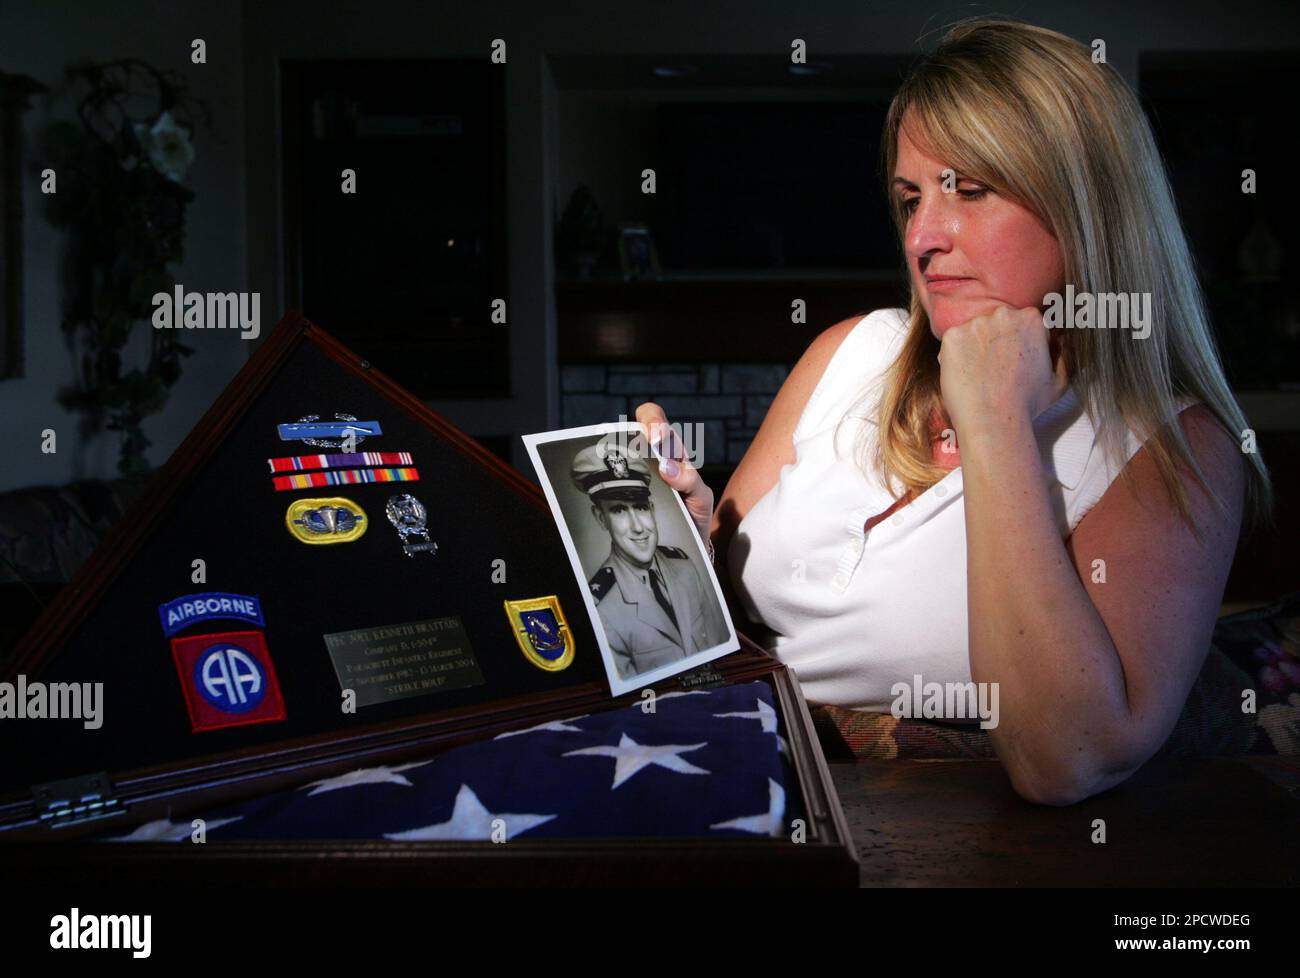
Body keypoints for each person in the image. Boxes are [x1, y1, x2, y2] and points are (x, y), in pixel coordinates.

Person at [636, 18, 1272, 806]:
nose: (923, 237)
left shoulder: (1174, 447)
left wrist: (996, 417)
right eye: (911, 199)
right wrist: (689, 537)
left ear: (1086, 209)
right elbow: (720, 615)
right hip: (723, 782)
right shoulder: (852, 350)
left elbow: (1064, 760)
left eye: (969, 190)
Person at [570, 435, 729, 678]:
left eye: (641, 507)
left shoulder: (684, 564)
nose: (638, 527)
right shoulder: (601, 606)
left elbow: (720, 649)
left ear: (652, 509)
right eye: (619, 510)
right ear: (601, 518)